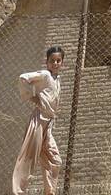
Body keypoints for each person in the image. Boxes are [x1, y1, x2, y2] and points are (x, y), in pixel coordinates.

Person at [11, 45, 65, 195]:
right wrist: (32, 97)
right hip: (38, 120)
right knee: (29, 158)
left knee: (55, 160)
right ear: (47, 62)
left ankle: (50, 191)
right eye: (52, 61)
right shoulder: (46, 75)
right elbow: (23, 78)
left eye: (58, 61)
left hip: (48, 124)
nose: (55, 63)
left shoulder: (57, 79)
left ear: (62, 63)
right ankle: (18, 192)